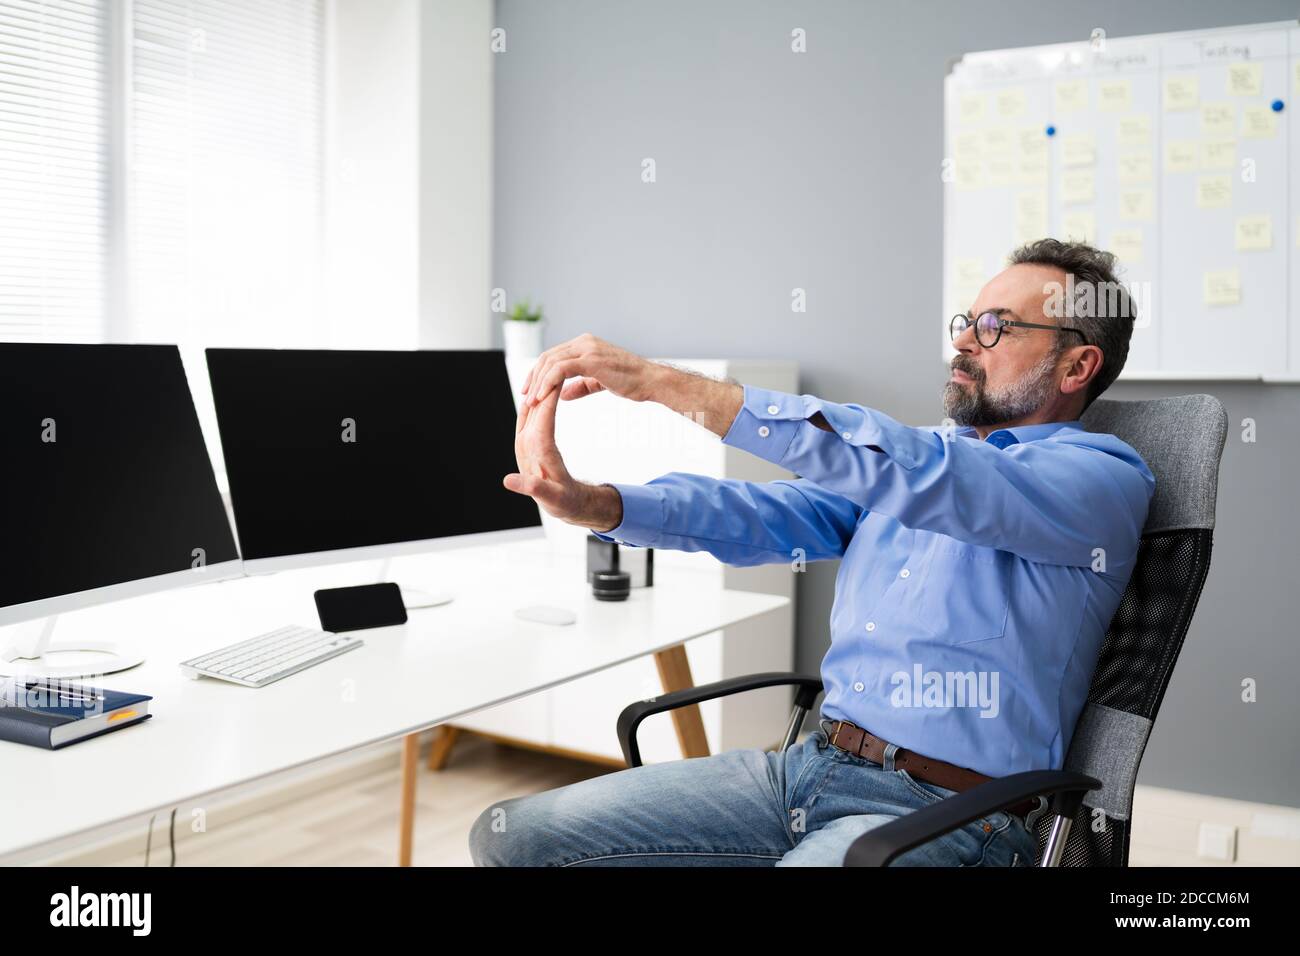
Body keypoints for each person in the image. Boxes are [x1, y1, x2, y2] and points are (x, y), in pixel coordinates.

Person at [470, 238, 1154, 866]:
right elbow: (771, 514)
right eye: (965, 323)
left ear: (1077, 364)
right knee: (515, 836)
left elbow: (929, 479)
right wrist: (599, 505)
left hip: (954, 813)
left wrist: (660, 383)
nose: (965, 345)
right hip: (805, 770)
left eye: (996, 326)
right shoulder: (924, 459)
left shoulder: (1098, 481)